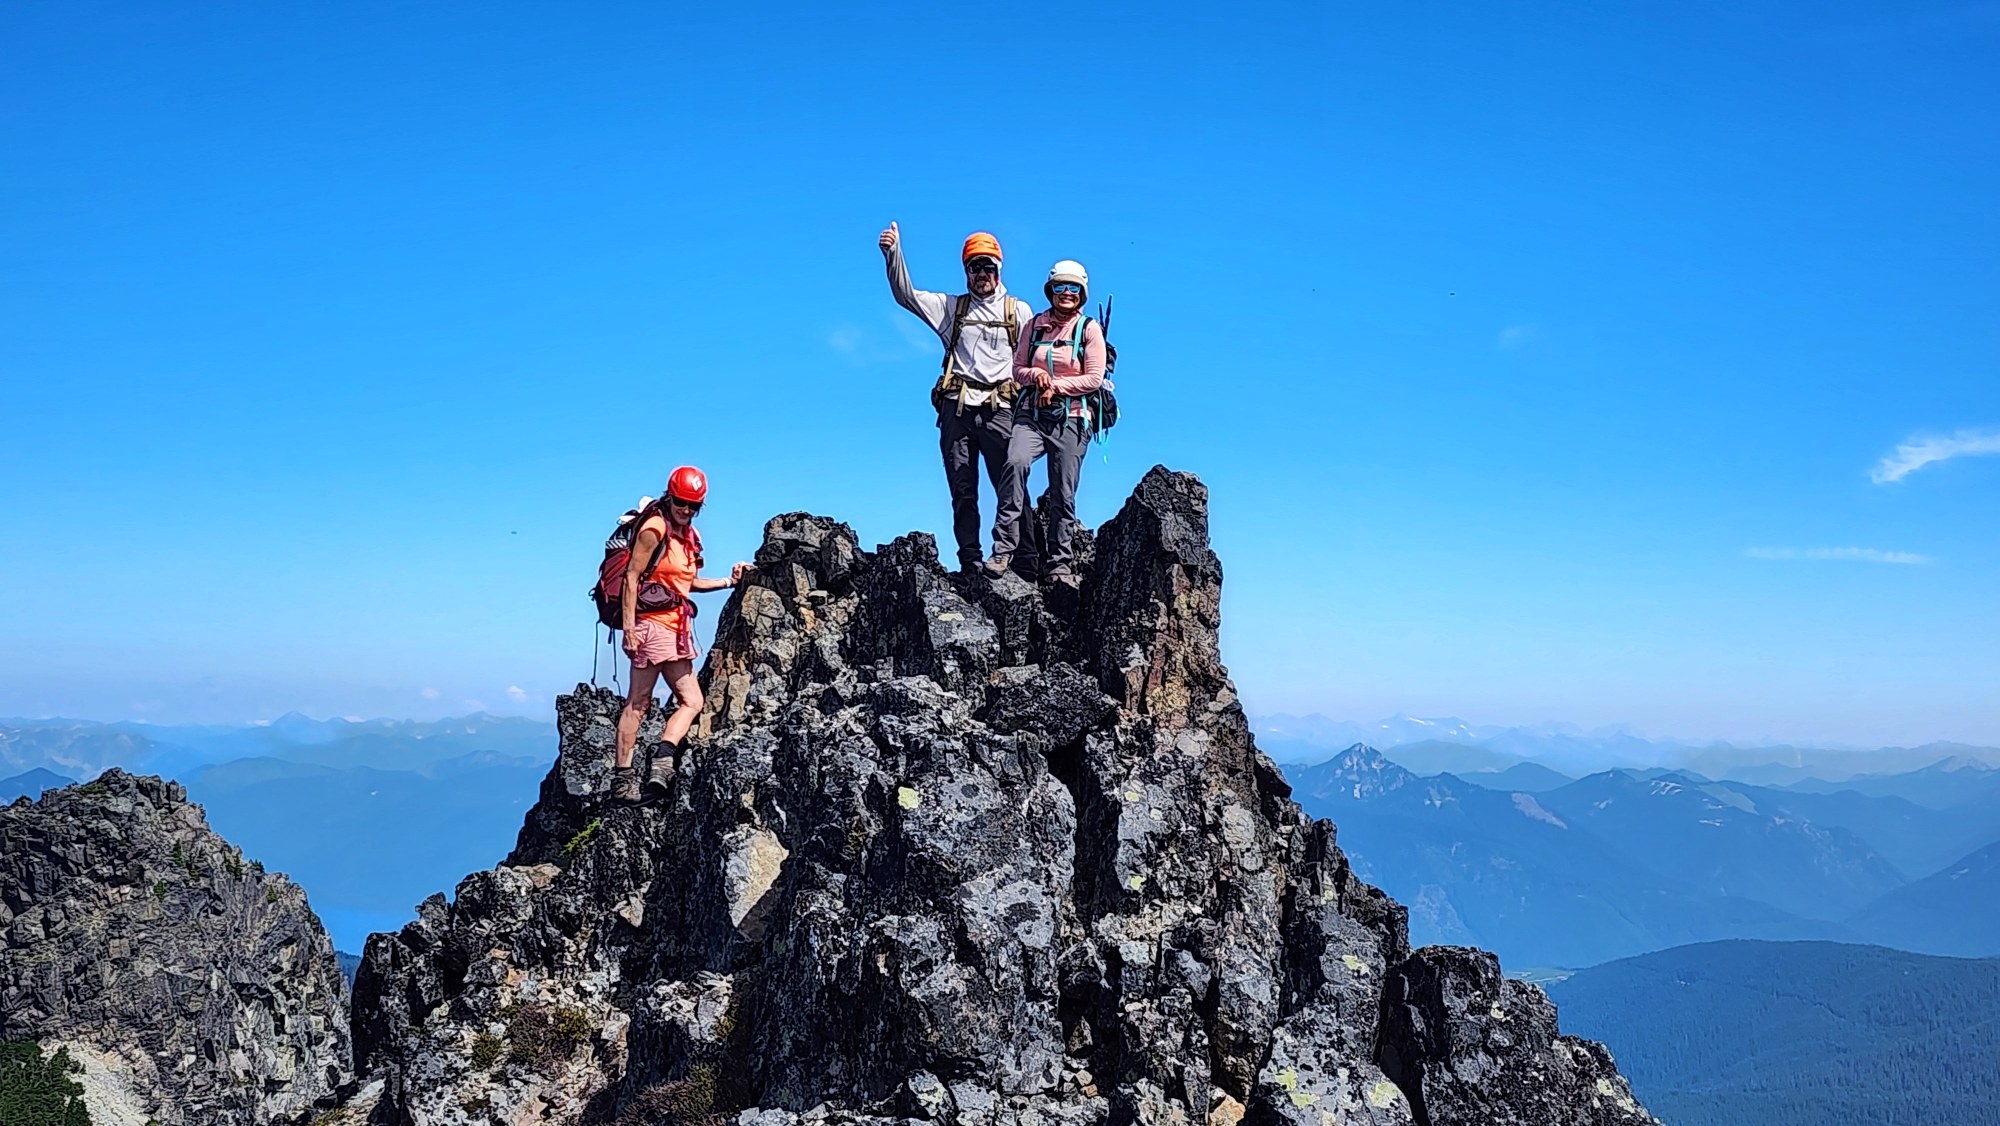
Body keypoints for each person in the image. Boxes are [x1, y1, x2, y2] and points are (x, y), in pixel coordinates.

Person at [880, 221, 1033, 572]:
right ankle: (970, 562)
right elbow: (907, 295)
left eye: (988, 266)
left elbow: (1036, 353)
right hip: (957, 410)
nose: (982, 274)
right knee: (963, 491)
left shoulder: (1018, 311)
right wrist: (893, 254)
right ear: (965, 270)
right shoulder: (952, 308)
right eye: (974, 267)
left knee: (1011, 489)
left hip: (1001, 409)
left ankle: (1026, 563)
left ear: (999, 268)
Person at [612, 465, 751, 804]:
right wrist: (629, 630)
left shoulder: (690, 537)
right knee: (639, 702)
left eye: (693, 506)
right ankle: (625, 780)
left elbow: (686, 584)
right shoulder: (654, 528)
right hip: (651, 626)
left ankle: (660, 765)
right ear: (669, 497)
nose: (686, 510)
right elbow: (632, 577)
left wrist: (728, 582)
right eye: (681, 503)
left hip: (676, 629)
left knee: (692, 701)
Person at [986, 260, 1108, 585]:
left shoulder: (1088, 330)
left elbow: (1094, 378)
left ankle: (1059, 565)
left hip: (1072, 419)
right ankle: (1003, 549)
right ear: (1050, 290)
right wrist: (1037, 375)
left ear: (1082, 293)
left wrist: (1054, 386)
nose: (1066, 293)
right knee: (1014, 463)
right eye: (1059, 287)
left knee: (1062, 493)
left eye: (1073, 288)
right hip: (1032, 416)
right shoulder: (1035, 326)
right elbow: (1018, 369)